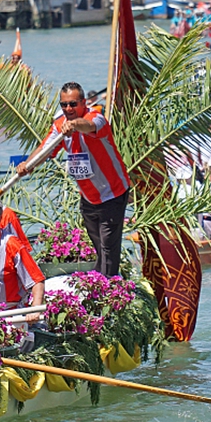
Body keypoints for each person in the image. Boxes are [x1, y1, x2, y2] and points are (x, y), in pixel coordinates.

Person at [17, 81, 130, 277]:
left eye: (73, 104)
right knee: (98, 246)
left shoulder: (96, 118)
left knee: (108, 246)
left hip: (112, 193)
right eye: (64, 105)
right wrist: (28, 165)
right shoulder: (60, 125)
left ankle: (108, 286)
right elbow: (46, 149)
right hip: (88, 196)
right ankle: (101, 279)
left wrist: (75, 125)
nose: (68, 108)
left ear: (83, 102)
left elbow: (88, 126)